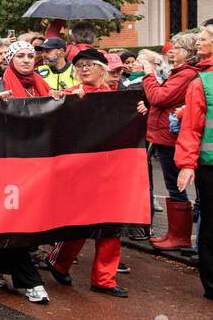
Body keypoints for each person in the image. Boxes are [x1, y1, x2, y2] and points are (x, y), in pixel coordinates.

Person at [45, 49, 147, 298]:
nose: (84, 68)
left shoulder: (117, 100)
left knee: (112, 224)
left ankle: (104, 278)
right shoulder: (69, 95)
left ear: (102, 69)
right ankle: (59, 261)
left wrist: (143, 111)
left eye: (90, 64)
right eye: (79, 65)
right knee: (81, 222)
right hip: (80, 172)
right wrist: (66, 104)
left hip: (112, 171)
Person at [0, 41, 54, 304]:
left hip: (38, 165)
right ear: (10, 60)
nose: (26, 60)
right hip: (8, 167)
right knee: (17, 222)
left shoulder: (42, 86)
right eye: (20, 55)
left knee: (31, 224)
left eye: (31, 55)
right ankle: (30, 283)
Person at [142, 31, 206, 250]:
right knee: (172, 185)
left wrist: (149, 75)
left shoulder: (185, 74)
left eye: (176, 48)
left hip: (169, 137)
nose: (171, 51)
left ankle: (180, 236)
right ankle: (174, 233)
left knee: (174, 185)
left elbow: (159, 97)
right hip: (163, 135)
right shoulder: (181, 73)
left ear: (187, 53)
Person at [172, 28, 213, 300]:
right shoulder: (201, 82)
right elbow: (191, 128)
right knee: (211, 224)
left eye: (205, 38)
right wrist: (187, 164)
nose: (199, 42)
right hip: (210, 167)